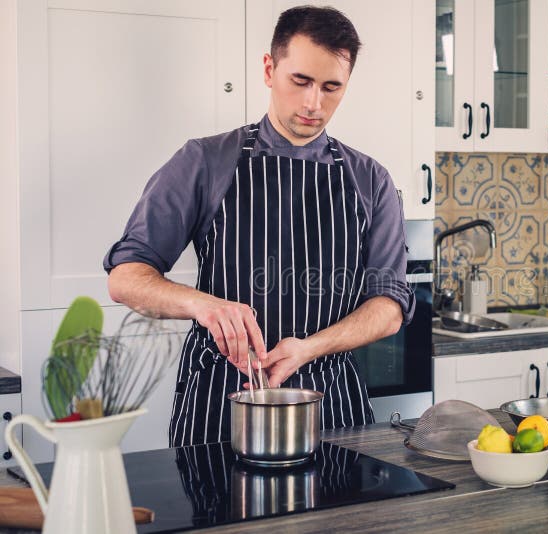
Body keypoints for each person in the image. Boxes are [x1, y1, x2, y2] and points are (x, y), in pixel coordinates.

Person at [104, 6, 413, 447]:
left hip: (333, 409)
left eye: (331, 87)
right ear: (270, 69)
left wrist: (308, 348)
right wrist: (205, 306)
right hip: (221, 404)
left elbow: (389, 306)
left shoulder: (371, 179)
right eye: (301, 81)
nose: (313, 103)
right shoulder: (204, 162)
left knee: (342, 518)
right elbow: (126, 278)